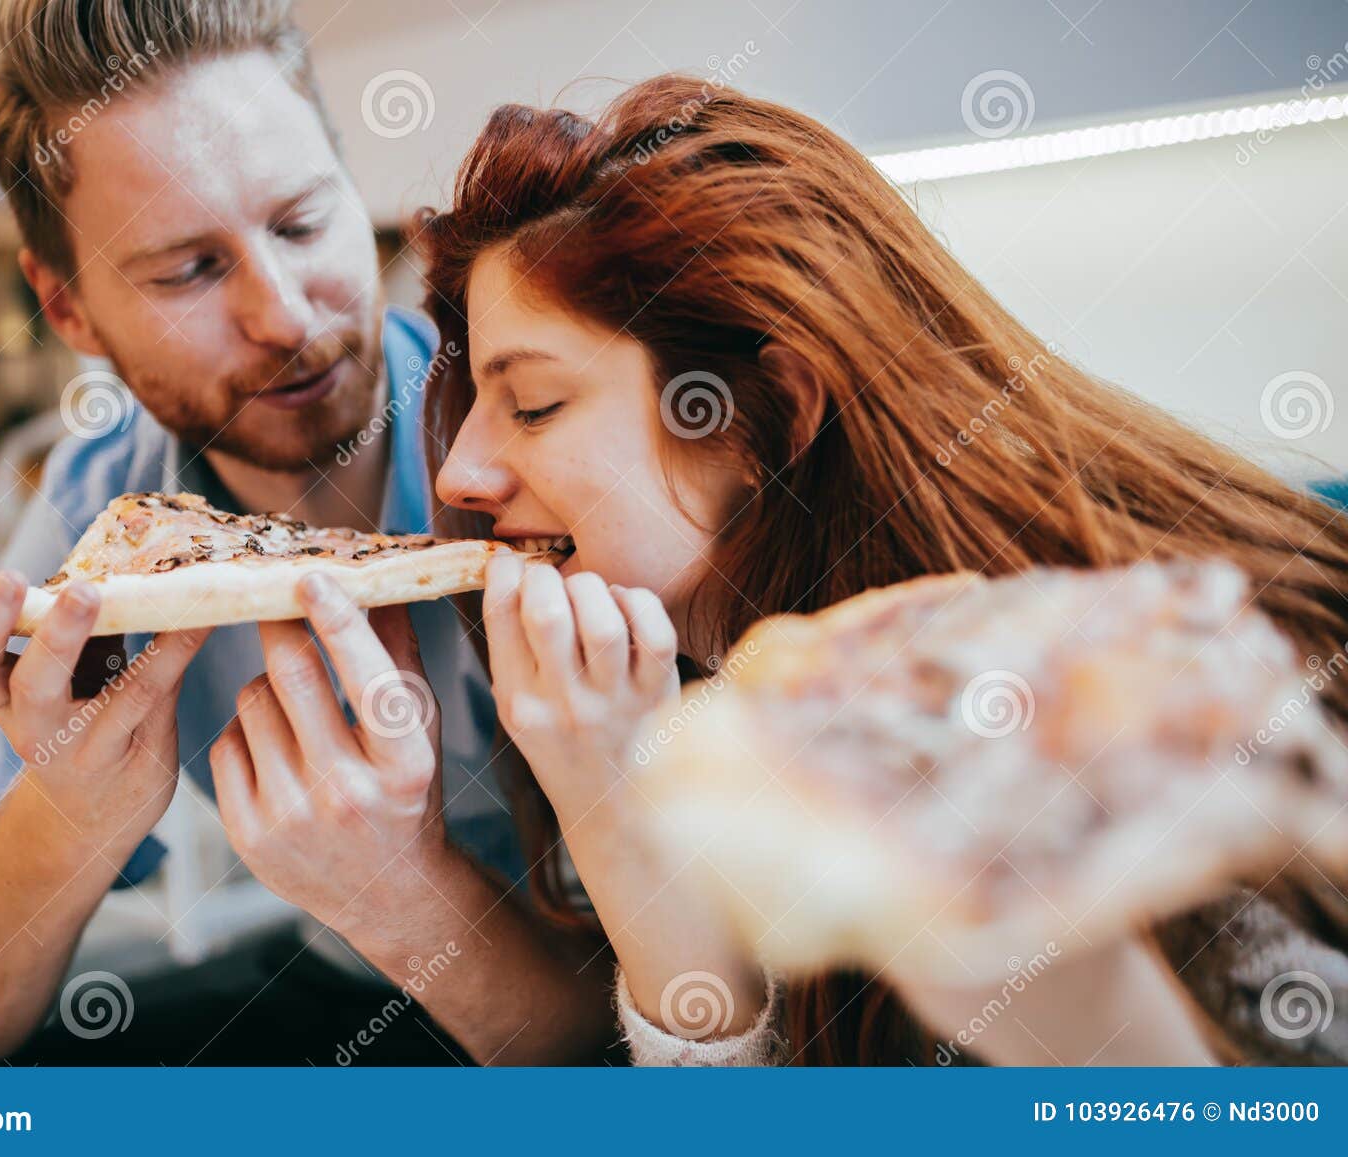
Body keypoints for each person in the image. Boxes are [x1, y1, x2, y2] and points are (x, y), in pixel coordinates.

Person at [400, 74, 1348, 1064]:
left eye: (535, 403)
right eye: (475, 403)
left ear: (767, 412)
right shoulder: (672, 714)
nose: (460, 472)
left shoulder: (1129, 711)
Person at [0, 0, 613, 1067]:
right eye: (188, 272)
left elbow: (716, 1037)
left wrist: (404, 888)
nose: (285, 315)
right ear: (67, 309)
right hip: (348, 988)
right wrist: (71, 815)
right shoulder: (102, 513)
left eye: (302, 223)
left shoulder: (559, 433)